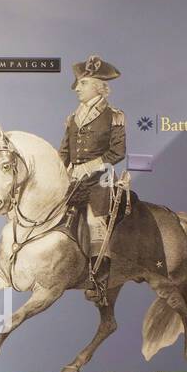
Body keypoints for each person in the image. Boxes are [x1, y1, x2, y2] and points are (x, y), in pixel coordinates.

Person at [59, 55, 126, 300]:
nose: (77, 88)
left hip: (100, 180)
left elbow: (117, 152)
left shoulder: (114, 115)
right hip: (74, 180)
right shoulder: (73, 117)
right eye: (78, 84)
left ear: (99, 86)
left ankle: (98, 281)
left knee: (93, 221)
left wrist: (88, 167)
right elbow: (64, 152)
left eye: (83, 83)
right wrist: (60, 172)